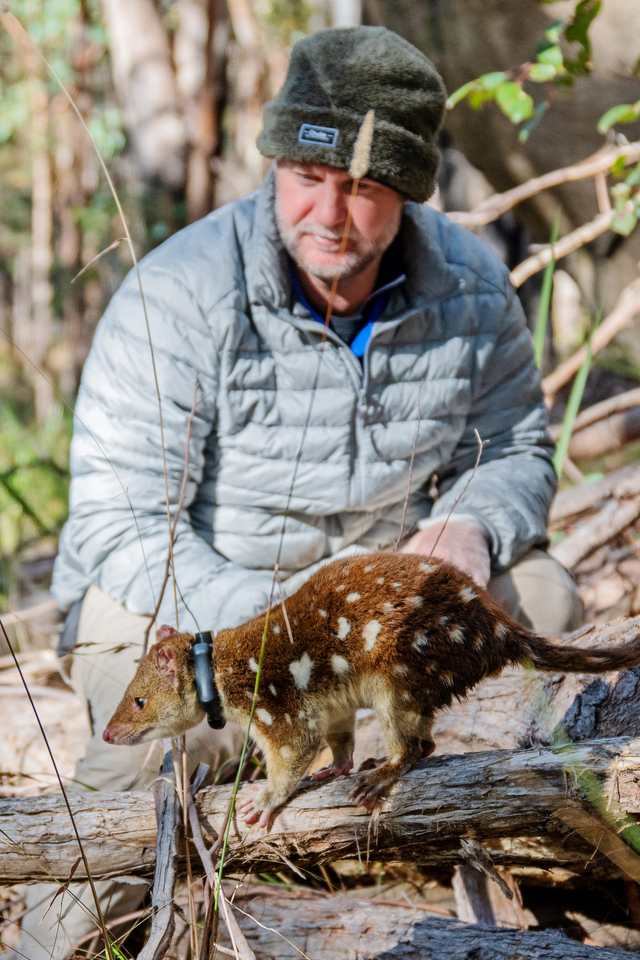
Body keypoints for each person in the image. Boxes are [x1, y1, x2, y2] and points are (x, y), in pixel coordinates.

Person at [13, 25, 582, 959]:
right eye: (307, 176)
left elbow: (517, 445)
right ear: (274, 161)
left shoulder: (475, 289)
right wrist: (282, 632)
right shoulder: (180, 294)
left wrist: (471, 524)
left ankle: (525, 875)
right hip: (190, 605)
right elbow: (123, 526)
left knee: (544, 601)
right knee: (146, 762)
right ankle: (57, 943)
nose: (330, 212)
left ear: (408, 190)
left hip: (369, 607)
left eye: (363, 188)